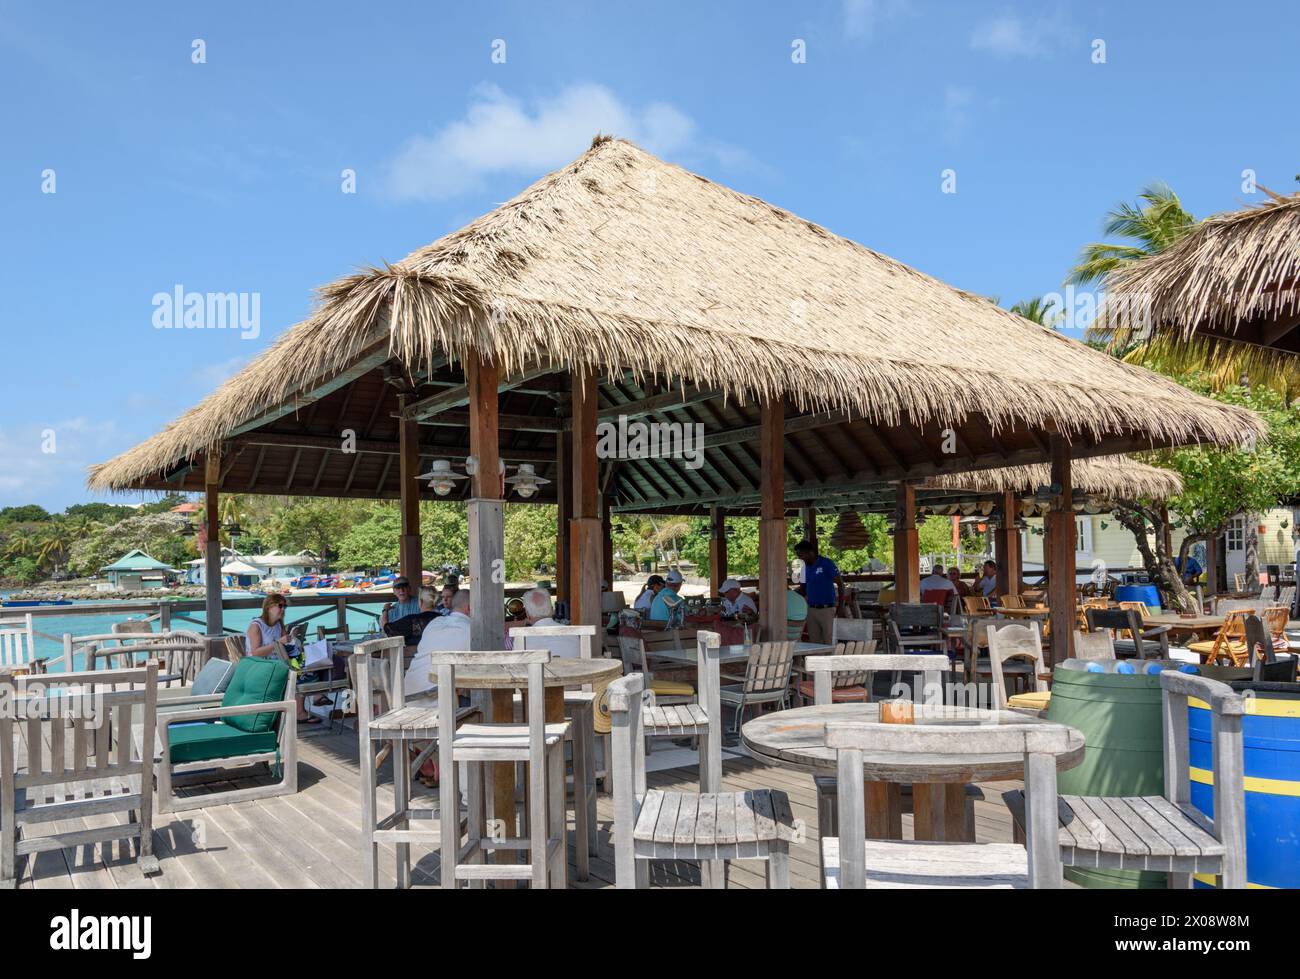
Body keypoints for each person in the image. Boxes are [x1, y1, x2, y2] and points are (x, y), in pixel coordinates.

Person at [245, 593, 317, 725]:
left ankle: (313, 699)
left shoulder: (278, 624)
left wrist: (292, 638)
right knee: (298, 671)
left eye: (285, 607)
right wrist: (279, 642)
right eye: (280, 606)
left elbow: (286, 646)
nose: (283, 609)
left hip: (278, 662)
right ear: (269, 607)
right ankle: (301, 710)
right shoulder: (256, 626)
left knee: (309, 665)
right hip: (260, 664)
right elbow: (255, 653)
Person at [405, 589, 472, 700]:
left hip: (407, 699)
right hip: (438, 705)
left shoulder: (434, 623)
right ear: (469, 608)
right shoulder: (471, 631)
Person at [793, 540, 843, 644]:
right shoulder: (803, 568)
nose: (800, 558)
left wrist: (841, 606)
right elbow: (803, 589)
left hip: (827, 609)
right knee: (814, 643)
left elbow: (840, 584)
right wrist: (788, 593)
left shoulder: (826, 563)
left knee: (830, 641)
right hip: (811, 610)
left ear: (810, 552)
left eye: (801, 555)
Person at [515, 588, 581, 658]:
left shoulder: (521, 639)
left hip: (537, 669)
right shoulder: (573, 634)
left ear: (527, 614)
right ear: (552, 610)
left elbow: (516, 666)